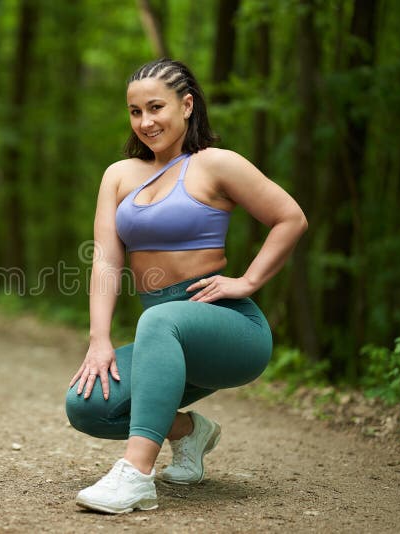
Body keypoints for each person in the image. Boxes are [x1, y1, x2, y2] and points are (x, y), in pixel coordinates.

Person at [64, 58, 308, 514]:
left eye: (156, 107)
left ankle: (136, 476)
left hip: (228, 328)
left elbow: (290, 217)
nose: (146, 121)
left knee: (158, 320)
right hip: (165, 336)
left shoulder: (216, 164)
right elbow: (106, 259)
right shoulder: (118, 175)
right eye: (136, 112)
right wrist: (98, 339)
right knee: (87, 405)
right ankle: (190, 433)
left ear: (188, 104)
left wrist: (249, 280)